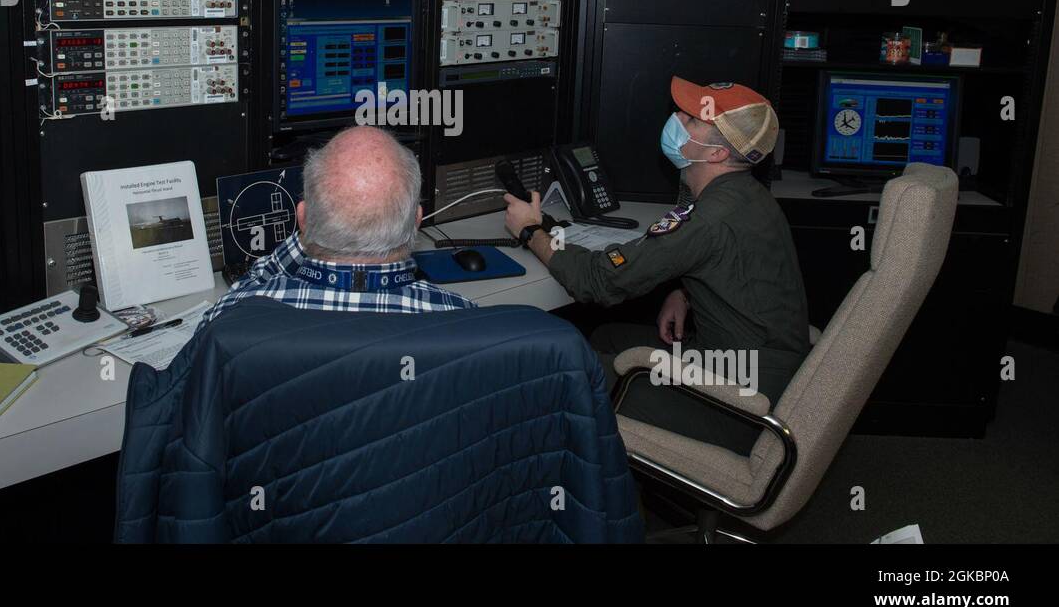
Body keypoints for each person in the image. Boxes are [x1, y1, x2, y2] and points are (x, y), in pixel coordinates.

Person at [503, 77, 809, 454]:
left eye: (693, 119)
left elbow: (598, 281)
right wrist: (684, 289)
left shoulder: (710, 219)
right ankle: (619, 473)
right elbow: (734, 266)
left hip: (740, 402)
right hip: (758, 365)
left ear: (714, 155)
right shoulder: (746, 195)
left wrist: (531, 230)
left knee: (556, 369)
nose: (677, 118)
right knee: (607, 337)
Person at [206, 126, 476, 320]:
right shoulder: (464, 321)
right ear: (416, 221)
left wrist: (311, 227)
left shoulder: (231, 318)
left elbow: (250, 283)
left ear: (302, 218)